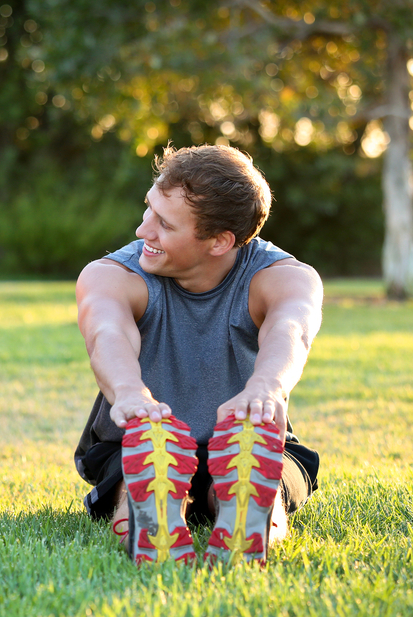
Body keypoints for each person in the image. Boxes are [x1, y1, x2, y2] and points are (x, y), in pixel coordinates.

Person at [74, 143, 322, 566]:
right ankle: (256, 518)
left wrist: (266, 386)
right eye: (149, 209)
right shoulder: (115, 275)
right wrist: (131, 393)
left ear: (220, 241)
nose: (142, 231)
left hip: (236, 435)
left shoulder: (278, 276)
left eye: (164, 225)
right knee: (270, 479)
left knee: (129, 473)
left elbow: (290, 328)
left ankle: (138, 511)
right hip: (145, 435)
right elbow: (107, 332)